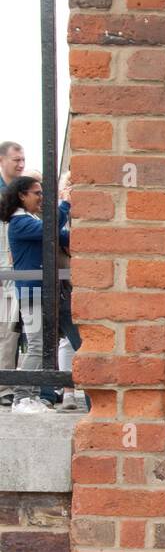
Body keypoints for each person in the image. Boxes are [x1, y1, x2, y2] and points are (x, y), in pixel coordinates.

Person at [0, 174, 79, 411]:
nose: (41, 197)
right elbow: (49, 230)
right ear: (22, 196)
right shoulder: (20, 222)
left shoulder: (29, 219)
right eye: (37, 193)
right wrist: (64, 203)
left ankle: (33, 395)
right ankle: (22, 396)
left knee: (46, 345)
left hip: (43, 293)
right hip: (32, 294)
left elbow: (61, 235)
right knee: (36, 345)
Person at [0, 140, 26, 407]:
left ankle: (5, 385)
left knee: (10, 330)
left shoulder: (22, 191)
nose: (20, 164)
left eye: (22, 159)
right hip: (4, 273)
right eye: (15, 159)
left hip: (14, 273)